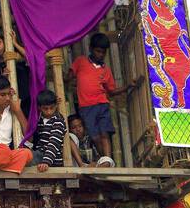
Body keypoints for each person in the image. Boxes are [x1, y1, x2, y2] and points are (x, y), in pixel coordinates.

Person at [68, 33, 131, 166]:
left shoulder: (106, 70)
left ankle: (107, 160)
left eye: (103, 52)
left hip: (102, 104)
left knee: (104, 133)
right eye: (98, 51)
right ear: (91, 49)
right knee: (94, 135)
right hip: (86, 107)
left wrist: (128, 86)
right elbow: (69, 76)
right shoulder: (80, 62)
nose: (101, 55)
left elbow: (112, 91)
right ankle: (104, 159)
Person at [30, 89, 85, 170]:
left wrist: (46, 162)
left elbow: (54, 143)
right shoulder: (39, 119)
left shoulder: (58, 121)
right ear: (39, 108)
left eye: (51, 108)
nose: (49, 112)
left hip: (52, 160)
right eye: (45, 109)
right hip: (40, 155)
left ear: (56, 106)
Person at [0, 28, 32, 115]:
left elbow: (31, 58)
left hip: (26, 96)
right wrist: (3, 76)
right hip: (6, 101)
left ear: (4, 41)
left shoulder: (16, 53)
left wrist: (14, 43)